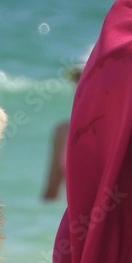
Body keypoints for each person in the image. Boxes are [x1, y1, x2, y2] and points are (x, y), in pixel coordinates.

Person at [40, 64, 82, 201]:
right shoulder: (63, 131)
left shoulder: (119, 129)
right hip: (77, 212)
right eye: (76, 79)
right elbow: (52, 191)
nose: (79, 84)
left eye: (87, 77)